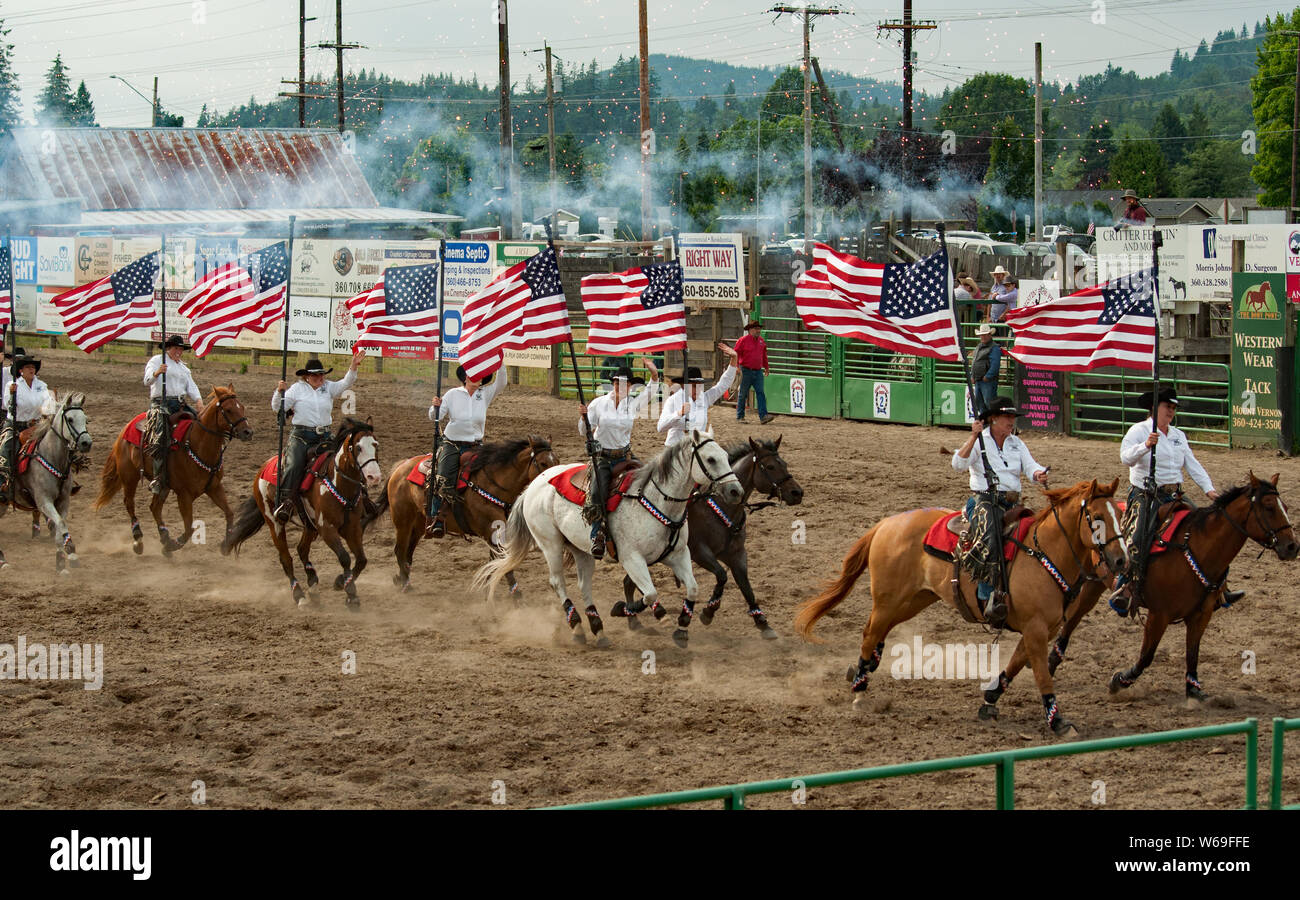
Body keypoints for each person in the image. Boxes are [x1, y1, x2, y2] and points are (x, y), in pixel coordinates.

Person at [1106, 387, 1242, 616]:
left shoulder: (1178, 435)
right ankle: (1126, 586)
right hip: (1145, 494)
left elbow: (1192, 465)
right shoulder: (1138, 431)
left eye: (1173, 408)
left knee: (1210, 530)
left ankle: (1220, 589)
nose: (1171, 411)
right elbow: (1125, 457)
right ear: (1154, 407)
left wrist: (1210, 491)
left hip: (1174, 494)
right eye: (1167, 406)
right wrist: (1146, 446)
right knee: (1139, 535)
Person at [952, 396, 1050, 628]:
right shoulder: (979, 441)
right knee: (992, 536)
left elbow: (1030, 465)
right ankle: (987, 595)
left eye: (1012, 417)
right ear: (993, 419)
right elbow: (957, 464)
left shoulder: (1016, 443)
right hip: (985, 500)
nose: (1011, 421)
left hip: (1011, 503)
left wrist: (1038, 474)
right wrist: (973, 435)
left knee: (1036, 533)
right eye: (1007, 416)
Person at [578, 358, 660, 558]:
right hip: (603, 457)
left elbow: (650, 390)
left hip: (625, 455)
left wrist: (654, 375)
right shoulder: (598, 403)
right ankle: (597, 534)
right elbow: (583, 432)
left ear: (630, 386)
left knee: (650, 479)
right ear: (612, 384)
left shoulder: (632, 404)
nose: (619, 386)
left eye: (623, 383)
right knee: (598, 492)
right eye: (616, 383)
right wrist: (584, 417)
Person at [271, 350, 365, 522]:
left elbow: (346, 382)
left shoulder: (328, 387)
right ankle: (286, 502)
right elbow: (278, 408)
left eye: (321, 374)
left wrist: (353, 366)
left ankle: (359, 497)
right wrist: (279, 392)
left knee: (347, 459)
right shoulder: (296, 389)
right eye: (316, 375)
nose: (320, 378)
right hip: (301, 436)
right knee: (294, 465)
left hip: (324, 436)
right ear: (307, 376)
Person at [426, 364, 505, 538]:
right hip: (452, 443)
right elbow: (435, 417)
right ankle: (437, 516)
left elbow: (501, 382)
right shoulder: (452, 394)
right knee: (443, 477)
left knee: (494, 474)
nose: (476, 377)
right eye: (473, 373)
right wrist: (435, 407)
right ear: (465, 377)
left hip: (476, 445)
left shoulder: (484, 394)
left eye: (479, 374)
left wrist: (501, 361)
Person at [143, 335, 202, 495]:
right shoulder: (157, 361)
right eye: (176, 348)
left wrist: (198, 400)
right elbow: (146, 381)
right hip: (161, 404)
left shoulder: (183, 368)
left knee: (202, 426)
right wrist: (157, 373)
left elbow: (192, 386)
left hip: (180, 404)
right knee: (161, 438)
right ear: (168, 348)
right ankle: (158, 477)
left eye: (181, 349)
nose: (179, 351)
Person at [656, 344, 738, 446]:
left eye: (700, 386)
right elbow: (660, 427)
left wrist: (734, 359)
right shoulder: (672, 400)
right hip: (675, 450)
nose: (698, 389)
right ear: (684, 386)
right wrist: (679, 413)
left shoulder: (704, 398)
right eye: (694, 386)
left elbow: (723, 384)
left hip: (697, 449)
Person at [0, 353, 50, 504]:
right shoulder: (12, 385)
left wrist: (50, 409)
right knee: (6, 450)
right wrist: (12, 395)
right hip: (15, 425)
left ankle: (64, 476)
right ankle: (2, 484)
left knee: (59, 441)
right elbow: (10, 408)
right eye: (28, 367)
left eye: (33, 367)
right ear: (21, 370)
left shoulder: (42, 385)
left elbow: (48, 404)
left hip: (36, 425)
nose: (31, 369)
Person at [734, 320, 775, 424]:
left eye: (759, 328)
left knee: (760, 392)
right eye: (756, 329)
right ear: (750, 330)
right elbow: (736, 354)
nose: (758, 330)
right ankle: (740, 416)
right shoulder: (742, 340)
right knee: (743, 394)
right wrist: (736, 366)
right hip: (745, 370)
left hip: (757, 371)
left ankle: (763, 416)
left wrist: (766, 367)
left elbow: (763, 355)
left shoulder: (761, 341)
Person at [970, 323, 1002, 412]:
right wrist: (972, 375)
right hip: (979, 380)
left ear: (989, 335)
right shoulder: (979, 347)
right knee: (980, 403)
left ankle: (992, 423)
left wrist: (988, 376)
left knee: (989, 403)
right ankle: (985, 423)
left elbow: (995, 365)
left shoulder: (994, 348)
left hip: (987, 381)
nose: (982, 337)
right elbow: (974, 362)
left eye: (984, 335)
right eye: (981, 335)